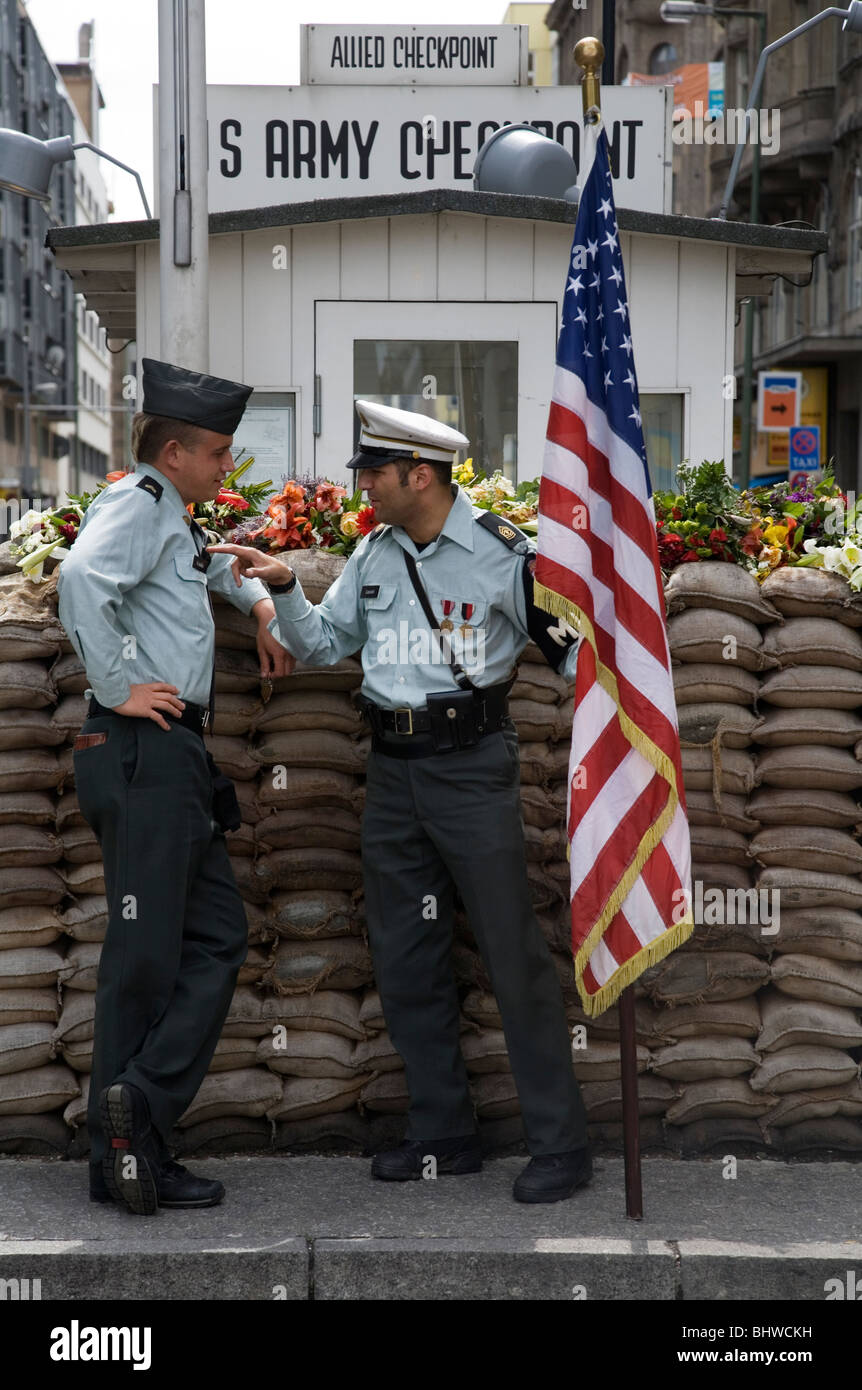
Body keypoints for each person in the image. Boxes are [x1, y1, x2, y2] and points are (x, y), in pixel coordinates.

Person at [210, 399, 592, 1204]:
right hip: (393, 776)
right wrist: (279, 593)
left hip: (472, 768)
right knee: (407, 956)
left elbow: (575, 660)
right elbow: (322, 646)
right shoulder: (376, 553)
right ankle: (444, 1134)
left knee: (511, 954)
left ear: (421, 475)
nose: (365, 489)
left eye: (375, 474)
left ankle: (562, 1143)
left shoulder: (501, 554)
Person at [56, 357, 291, 1216]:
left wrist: (263, 607)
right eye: (221, 453)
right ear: (176, 450)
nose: (230, 465)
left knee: (216, 936)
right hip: (138, 746)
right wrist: (118, 682)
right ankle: (125, 1153)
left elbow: (200, 575)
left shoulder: (173, 518)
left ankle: (138, 1108)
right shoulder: (137, 501)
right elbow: (82, 579)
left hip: (168, 758)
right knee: (143, 960)